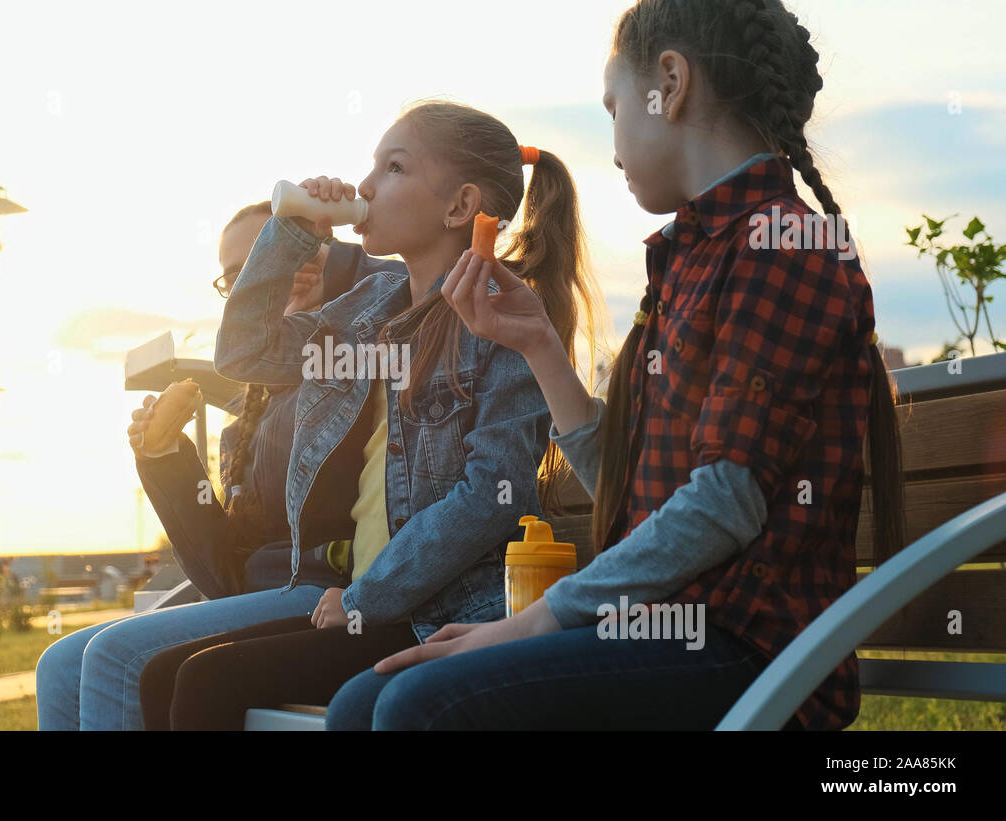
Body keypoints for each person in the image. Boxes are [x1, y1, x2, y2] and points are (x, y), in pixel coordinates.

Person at [325, 0, 905, 731]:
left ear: (671, 82)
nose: (613, 145)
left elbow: (725, 504)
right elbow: (637, 508)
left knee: (418, 704)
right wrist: (537, 344)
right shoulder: (691, 258)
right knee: (360, 703)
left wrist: (539, 619)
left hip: (747, 653)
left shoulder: (783, 247)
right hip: (662, 631)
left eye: (613, 107)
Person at [134, 100, 604, 730]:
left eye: (394, 168)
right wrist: (295, 228)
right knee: (165, 672)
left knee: (201, 680)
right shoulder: (373, 306)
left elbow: (492, 493)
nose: (365, 187)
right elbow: (246, 352)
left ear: (459, 208)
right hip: (364, 605)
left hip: (439, 612)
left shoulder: (500, 317)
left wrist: (364, 597)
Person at [131, 201, 405, 599]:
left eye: (270, 255)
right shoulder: (243, 425)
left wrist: (337, 264)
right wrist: (165, 458)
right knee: (68, 657)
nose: (255, 281)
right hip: (260, 600)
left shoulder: (365, 349)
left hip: (329, 595)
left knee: (107, 652)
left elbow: (421, 285)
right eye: (235, 277)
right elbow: (225, 579)